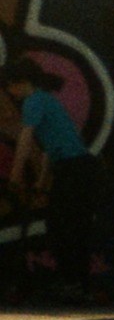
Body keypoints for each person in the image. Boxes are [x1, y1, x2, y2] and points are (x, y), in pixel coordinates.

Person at [0, 56, 100, 300]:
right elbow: (49, 148)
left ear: (20, 82)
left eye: (10, 86)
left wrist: (14, 176)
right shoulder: (46, 100)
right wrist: (41, 183)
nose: (10, 92)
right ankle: (77, 283)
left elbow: (25, 140)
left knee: (64, 226)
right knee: (68, 226)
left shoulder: (33, 101)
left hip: (73, 168)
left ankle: (73, 284)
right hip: (76, 168)